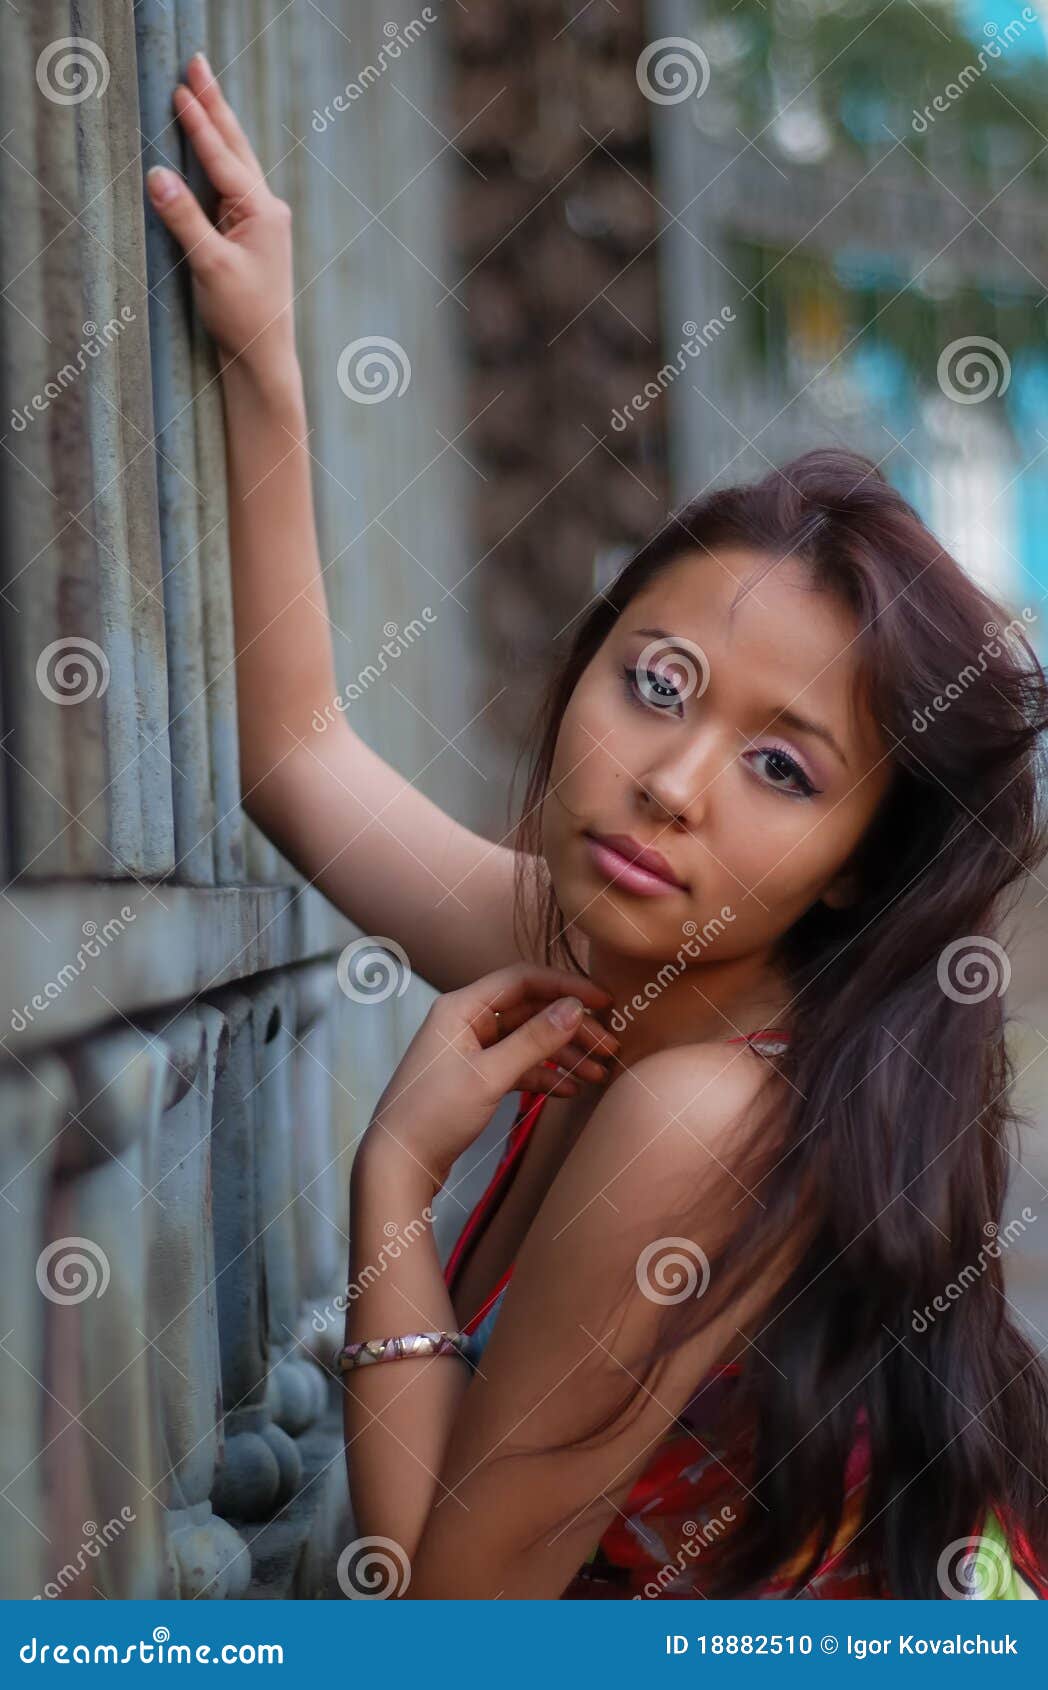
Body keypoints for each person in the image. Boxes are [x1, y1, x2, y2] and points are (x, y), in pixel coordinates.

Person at [147, 53, 1048, 1601]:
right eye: (658, 683)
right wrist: (264, 361)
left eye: (784, 768)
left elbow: (445, 1628)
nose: (672, 782)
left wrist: (394, 1181)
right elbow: (297, 760)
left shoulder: (712, 1116)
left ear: (856, 871)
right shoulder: (590, 943)